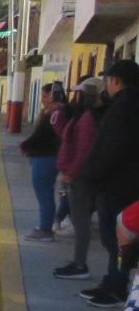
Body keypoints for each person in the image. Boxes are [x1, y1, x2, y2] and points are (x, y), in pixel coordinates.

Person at [79, 60, 139, 308]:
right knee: (118, 239)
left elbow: (111, 148)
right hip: (127, 184)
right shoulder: (128, 105)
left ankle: (116, 286)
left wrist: (92, 175)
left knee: (114, 240)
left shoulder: (123, 107)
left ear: (115, 81)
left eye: (108, 81)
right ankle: (113, 281)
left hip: (115, 185)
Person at [53, 78, 105, 281]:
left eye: (80, 93)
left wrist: (70, 173)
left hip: (80, 177)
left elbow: (83, 151)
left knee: (80, 222)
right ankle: (78, 261)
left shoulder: (88, 119)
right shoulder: (87, 116)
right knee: (80, 220)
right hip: (81, 175)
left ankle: (80, 264)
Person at [20, 84, 64, 242]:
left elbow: (42, 136)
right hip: (44, 156)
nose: (43, 100)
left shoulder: (55, 115)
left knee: (45, 195)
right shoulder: (52, 113)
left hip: (46, 158)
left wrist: (25, 145)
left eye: (45, 96)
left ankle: (45, 229)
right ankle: (47, 225)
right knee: (45, 194)